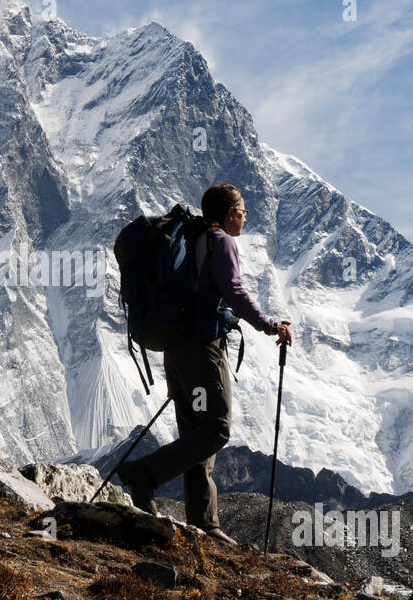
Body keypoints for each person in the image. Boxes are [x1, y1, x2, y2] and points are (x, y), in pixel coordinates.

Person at [117, 183, 291, 545]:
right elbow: (234, 290)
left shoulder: (194, 239)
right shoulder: (222, 242)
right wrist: (270, 325)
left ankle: (203, 523)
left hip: (176, 352)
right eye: (242, 212)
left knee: (196, 429)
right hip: (202, 351)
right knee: (215, 429)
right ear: (229, 213)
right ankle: (143, 474)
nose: (244, 219)